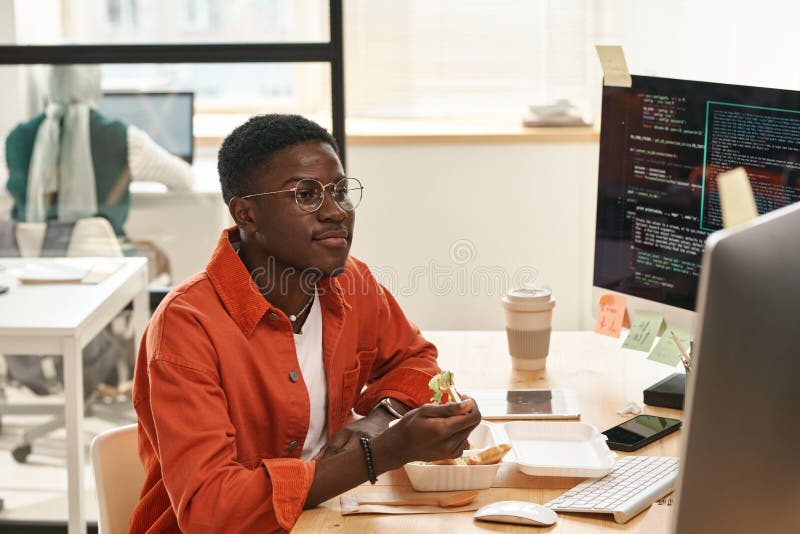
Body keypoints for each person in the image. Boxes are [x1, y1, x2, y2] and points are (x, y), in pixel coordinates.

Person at [130, 114, 481, 532]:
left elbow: (416, 360)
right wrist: (380, 454)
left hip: (319, 521)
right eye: (306, 194)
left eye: (340, 191)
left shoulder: (352, 282)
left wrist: (382, 415)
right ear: (247, 215)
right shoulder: (186, 328)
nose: (336, 212)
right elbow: (213, 511)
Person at [4, 64, 193, 236]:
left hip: (30, 265)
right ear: (94, 83)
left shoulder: (16, 138)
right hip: (109, 266)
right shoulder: (124, 137)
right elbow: (184, 179)